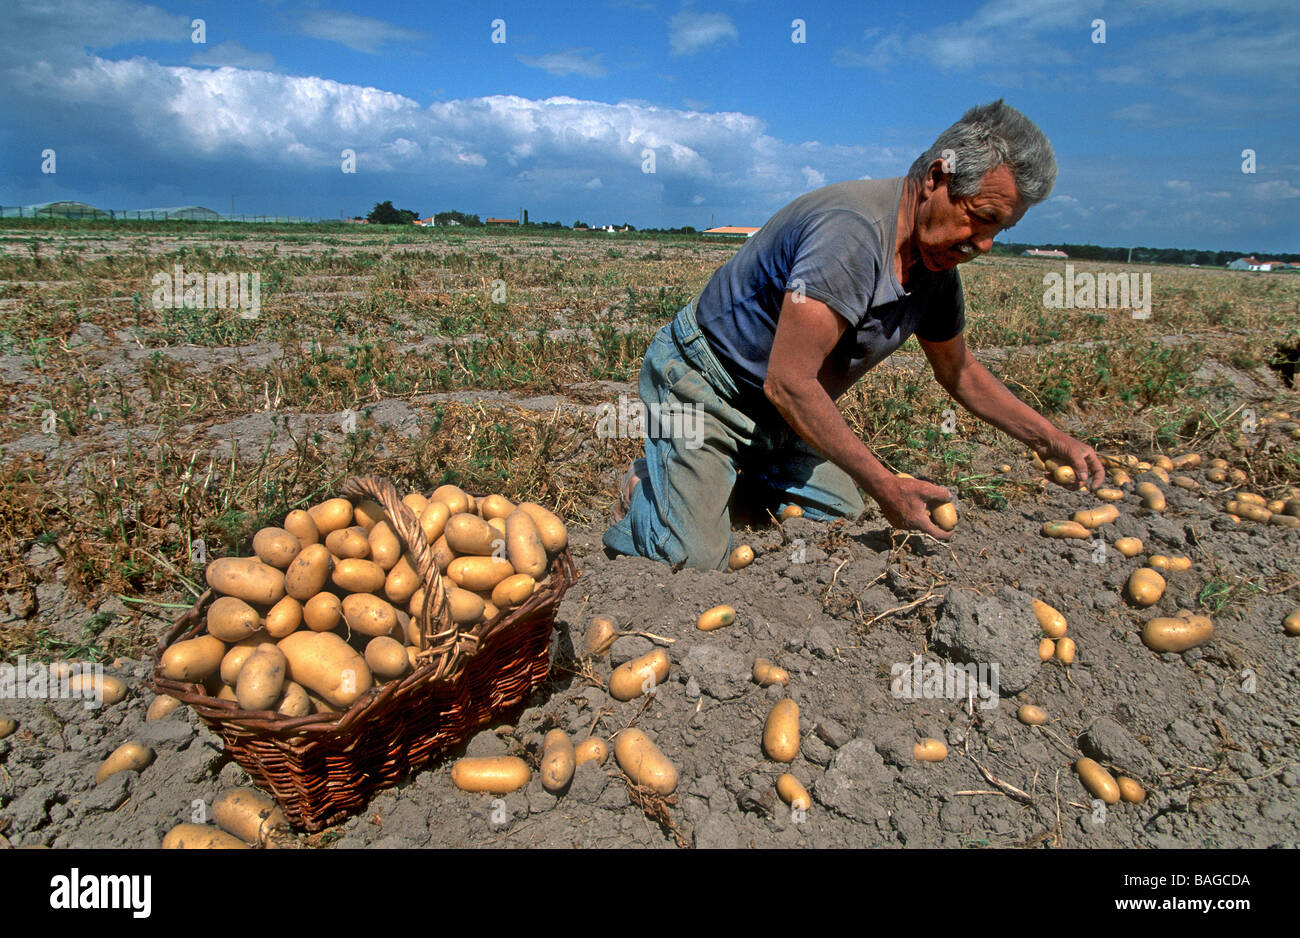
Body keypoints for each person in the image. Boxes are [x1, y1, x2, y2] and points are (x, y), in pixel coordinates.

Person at [603, 100, 1104, 571]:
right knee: (693, 560)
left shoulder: (935, 271)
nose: (986, 244)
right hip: (707, 387)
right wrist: (887, 486)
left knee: (843, 520)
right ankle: (648, 486)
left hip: (780, 418)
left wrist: (1053, 440)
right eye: (982, 217)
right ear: (937, 178)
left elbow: (960, 372)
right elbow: (790, 383)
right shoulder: (852, 235)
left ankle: (720, 479)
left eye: (1001, 230)